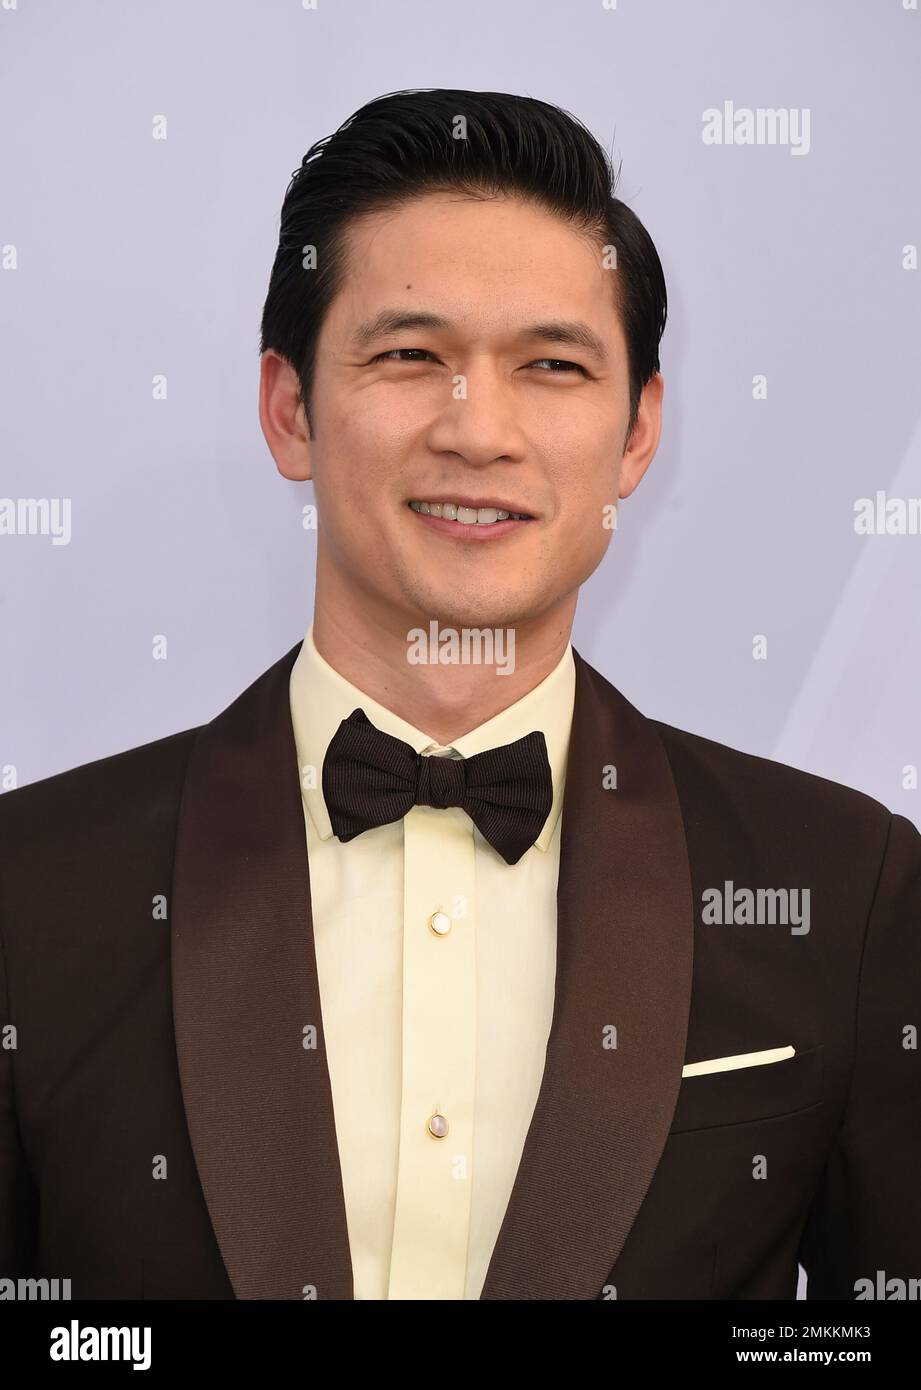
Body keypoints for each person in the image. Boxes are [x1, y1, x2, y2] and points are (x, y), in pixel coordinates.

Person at [1, 88, 918, 1302]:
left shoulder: (845, 888)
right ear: (291, 410)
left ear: (639, 431)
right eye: (410, 356)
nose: (477, 429)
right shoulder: (33, 888)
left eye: (551, 364)